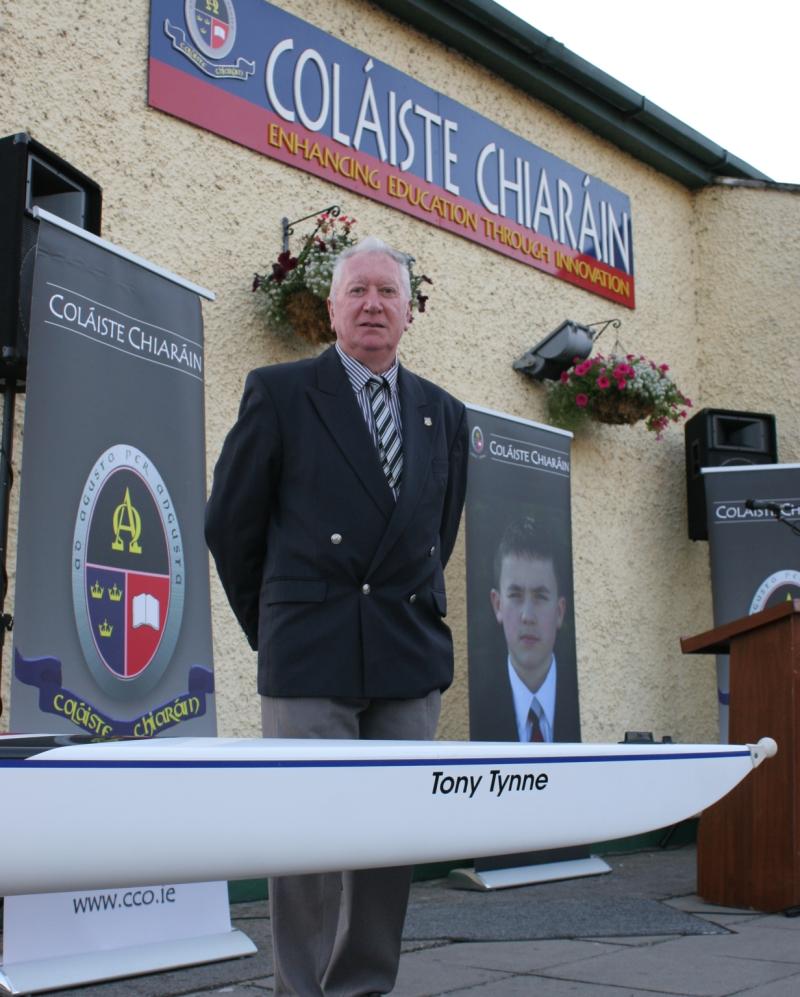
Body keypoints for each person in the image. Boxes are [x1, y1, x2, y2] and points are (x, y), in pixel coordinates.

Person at [205, 235, 468, 996]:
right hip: (310, 651)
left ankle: (362, 985)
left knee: (389, 840)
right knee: (308, 837)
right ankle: (302, 988)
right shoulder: (280, 392)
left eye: (388, 292)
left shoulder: (444, 414)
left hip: (405, 651)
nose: (373, 304)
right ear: (331, 308)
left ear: (410, 312)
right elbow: (230, 524)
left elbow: (436, 532)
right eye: (358, 291)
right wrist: (277, 623)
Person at [469, 517, 580, 744]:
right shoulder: (479, 705)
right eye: (515, 595)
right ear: (497, 605)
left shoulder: (584, 698)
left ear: (559, 611)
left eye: (540, 596)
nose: (528, 616)